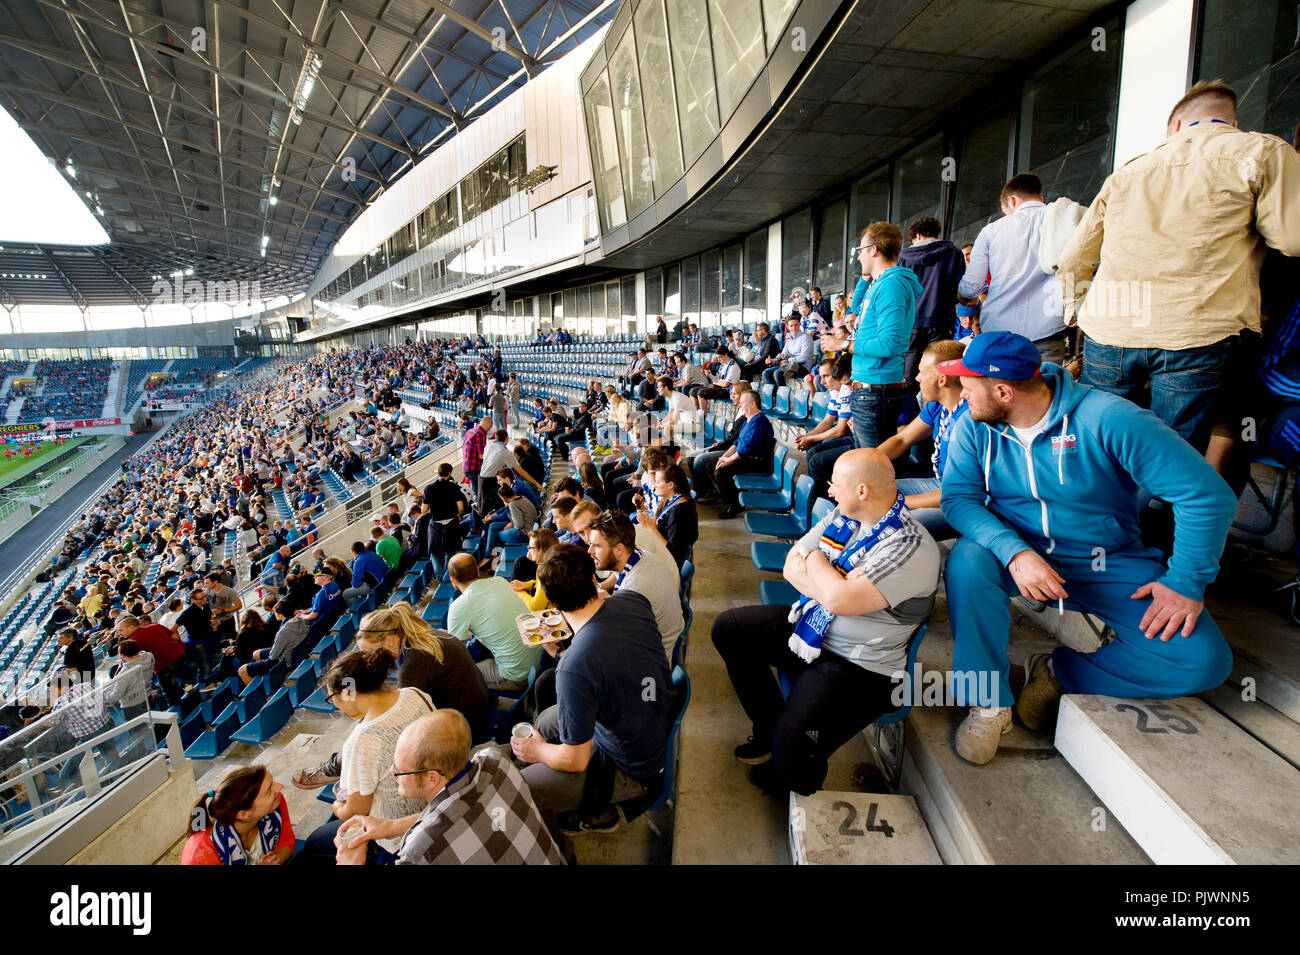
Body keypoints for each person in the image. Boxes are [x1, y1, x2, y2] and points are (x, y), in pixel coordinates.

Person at [938, 331, 1235, 765]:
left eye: (967, 384)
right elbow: (958, 500)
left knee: (1204, 661)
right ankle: (988, 703)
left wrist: (1186, 581)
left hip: (1107, 560)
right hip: (1019, 553)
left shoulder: (1109, 416)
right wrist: (1014, 551)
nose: (960, 394)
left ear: (1003, 390)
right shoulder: (974, 425)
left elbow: (1206, 494)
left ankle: (1059, 673)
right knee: (967, 560)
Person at [1057, 80, 1300, 451]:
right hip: (1194, 332)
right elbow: (1292, 240)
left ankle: (1104, 507)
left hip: (1111, 329)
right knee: (1172, 456)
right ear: (1232, 124)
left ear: (1175, 126)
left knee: (1101, 446)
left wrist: (1075, 307)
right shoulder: (1261, 151)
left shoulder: (1129, 170)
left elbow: (1075, 257)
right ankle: (1156, 509)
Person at [712, 448, 939, 796]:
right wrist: (829, 581)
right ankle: (770, 727)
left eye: (835, 484)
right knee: (729, 630)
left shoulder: (910, 545)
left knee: (793, 741)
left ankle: (794, 774)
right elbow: (793, 564)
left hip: (860, 665)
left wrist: (817, 560)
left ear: (862, 490)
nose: (829, 490)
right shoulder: (844, 515)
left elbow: (833, 593)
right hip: (814, 627)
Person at [511, 545, 677, 832]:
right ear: (592, 578)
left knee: (521, 788)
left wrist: (538, 752)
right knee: (547, 720)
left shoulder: (574, 667)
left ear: (553, 604)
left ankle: (596, 814)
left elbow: (575, 760)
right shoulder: (634, 599)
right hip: (650, 718)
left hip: (633, 766)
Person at [333, 710, 564, 865]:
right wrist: (390, 826)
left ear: (433, 778)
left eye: (400, 769)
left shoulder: (418, 852)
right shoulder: (495, 760)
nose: (393, 772)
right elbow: (457, 812)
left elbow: (443, 824)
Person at [295, 648, 434, 864]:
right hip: (435, 804)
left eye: (333, 698)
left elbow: (354, 810)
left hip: (395, 836)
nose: (336, 705)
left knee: (314, 843)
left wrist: (337, 807)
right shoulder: (415, 694)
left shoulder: (362, 741)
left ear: (347, 693)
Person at [958, 172, 1067, 363]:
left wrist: (968, 294)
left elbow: (971, 286)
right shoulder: (1064, 221)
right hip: (1048, 330)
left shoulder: (991, 231)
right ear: (1040, 198)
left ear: (1012, 200)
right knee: (1044, 388)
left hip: (1000, 331)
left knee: (1000, 388)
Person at [874, 339, 970, 540]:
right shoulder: (938, 405)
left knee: (891, 522)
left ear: (942, 379)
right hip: (941, 485)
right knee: (868, 490)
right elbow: (902, 439)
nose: (917, 378)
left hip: (961, 500)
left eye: (923, 372)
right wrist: (865, 463)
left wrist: (902, 502)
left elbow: (961, 491)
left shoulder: (968, 418)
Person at [844, 221, 922, 450]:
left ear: (873, 250)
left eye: (860, 251)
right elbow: (856, 308)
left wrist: (846, 345)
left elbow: (888, 344)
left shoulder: (892, 284)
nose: (858, 257)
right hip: (868, 392)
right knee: (864, 467)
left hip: (876, 392)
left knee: (873, 471)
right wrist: (865, 277)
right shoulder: (879, 283)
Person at [587, 510, 684, 662]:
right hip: (661, 640)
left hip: (654, 663)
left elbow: (613, 641)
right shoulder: (640, 555)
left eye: (596, 546)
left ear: (619, 549)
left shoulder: (633, 590)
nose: (589, 551)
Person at [445, 553, 541, 690]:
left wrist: (447, 638)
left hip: (518, 676)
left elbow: (457, 655)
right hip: (540, 657)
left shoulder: (457, 607)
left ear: (452, 580)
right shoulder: (500, 581)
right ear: (477, 570)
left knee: (458, 674)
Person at [897, 216, 966, 389]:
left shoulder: (903, 257)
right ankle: (935, 413)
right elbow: (959, 288)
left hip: (910, 324)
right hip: (941, 320)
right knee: (939, 372)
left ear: (917, 236)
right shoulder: (953, 253)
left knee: (909, 374)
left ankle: (911, 414)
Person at [183, 765, 295, 865]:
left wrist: (276, 860)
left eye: (272, 782)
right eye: (268, 791)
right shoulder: (201, 856)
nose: (279, 787)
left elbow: (286, 840)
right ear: (243, 814)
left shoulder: (275, 804)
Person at [799, 354, 855, 503]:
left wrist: (810, 438)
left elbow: (841, 429)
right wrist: (808, 436)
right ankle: (818, 497)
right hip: (850, 434)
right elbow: (828, 420)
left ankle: (825, 502)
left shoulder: (846, 389)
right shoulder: (833, 391)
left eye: (826, 376)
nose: (822, 382)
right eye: (821, 376)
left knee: (817, 459)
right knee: (812, 452)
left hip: (852, 436)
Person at [711, 390, 774, 520]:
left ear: (752, 404)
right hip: (748, 458)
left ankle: (734, 505)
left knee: (720, 472)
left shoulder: (758, 421)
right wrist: (724, 457)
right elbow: (737, 442)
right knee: (712, 465)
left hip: (758, 462)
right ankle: (732, 498)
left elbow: (745, 449)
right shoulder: (748, 420)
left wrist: (728, 460)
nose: (739, 405)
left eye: (742, 402)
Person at [634, 462, 698, 567]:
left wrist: (651, 528)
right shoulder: (670, 500)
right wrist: (644, 515)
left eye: (658, 482)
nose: (654, 486)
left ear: (670, 485)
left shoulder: (679, 511)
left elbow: (673, 553)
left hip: (667, 563)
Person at [238, 599, 309, 684]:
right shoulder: (299, 619)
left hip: (287, 661)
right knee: (256, 653)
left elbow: (273, 657)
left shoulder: (283, 632)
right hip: (297, 651)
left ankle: (260, 689)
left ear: (281, 614)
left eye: (275, 612)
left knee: (242, 670)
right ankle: (263, 676)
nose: (274, 614)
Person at [762, 316, 815, 389]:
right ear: (787, 327)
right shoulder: (789, 341)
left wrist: (787, 360)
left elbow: (804, 357)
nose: (794, 328)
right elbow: (783, 355)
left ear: (799, 325)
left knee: (777, 373)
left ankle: (782, 397)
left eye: (796, 325)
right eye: (791, 326)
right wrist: (772, 360)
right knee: (766, 373)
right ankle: (776, 395)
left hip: (802, 367)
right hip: (788, 364)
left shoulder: (806, 338)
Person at [344, 540, 389, 609]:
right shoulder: (372, 553)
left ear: (354, 552)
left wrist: (355, 561)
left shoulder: (359, 561)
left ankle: (359, 610)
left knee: (346, 593)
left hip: (377, 587)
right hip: (386, 579)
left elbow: (355, 584)